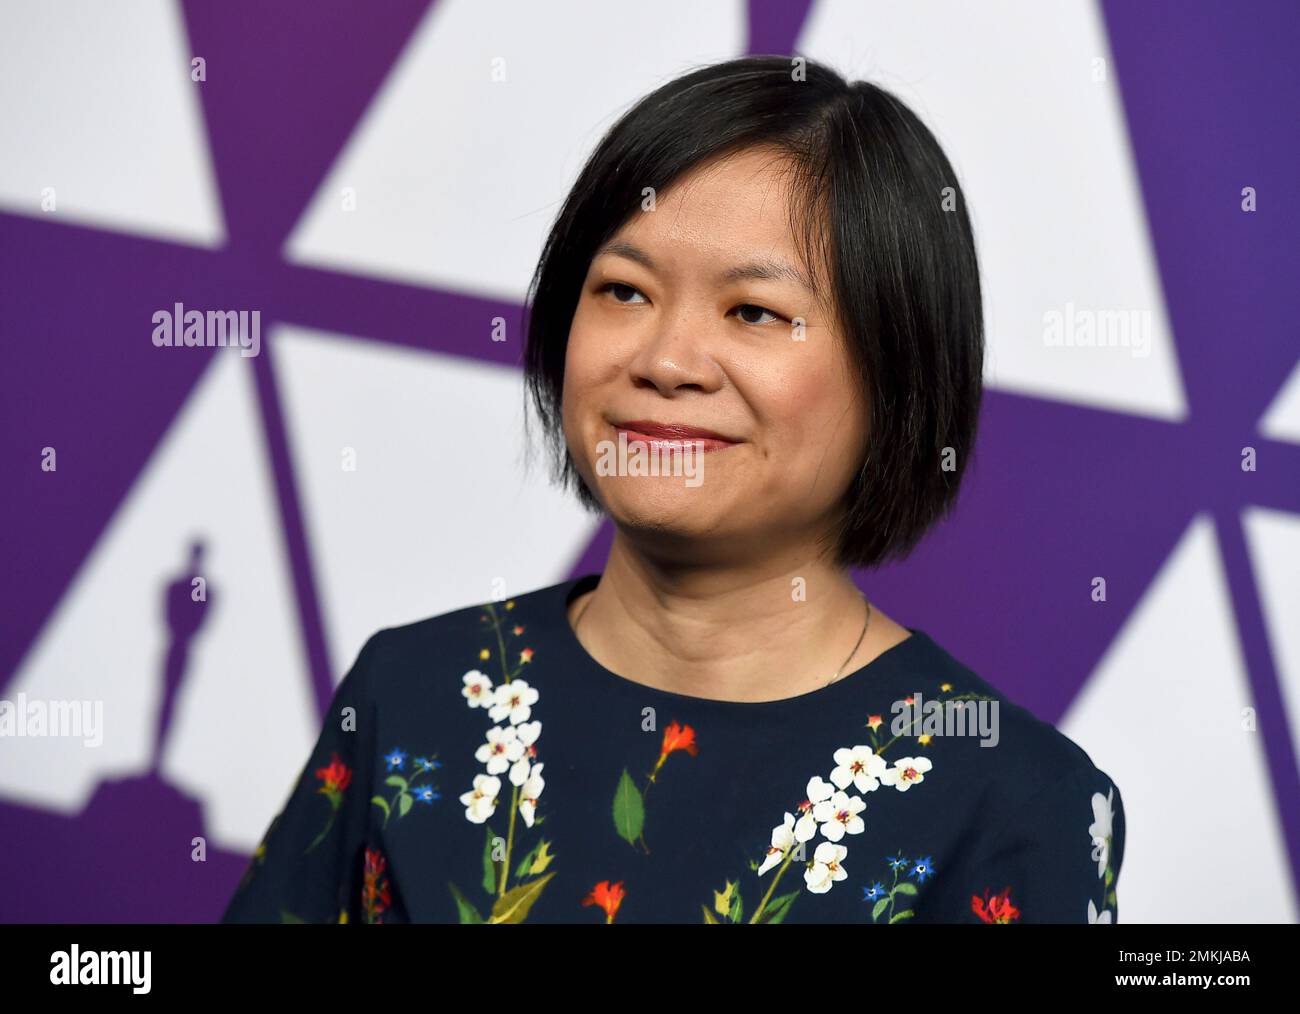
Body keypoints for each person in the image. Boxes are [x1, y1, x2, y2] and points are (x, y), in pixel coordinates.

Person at [222, 55, 1124, 925]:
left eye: (755, 312)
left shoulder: (1014, 801)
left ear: (899, 375)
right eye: (624, 291)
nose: (663, 361)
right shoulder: (410, 695)